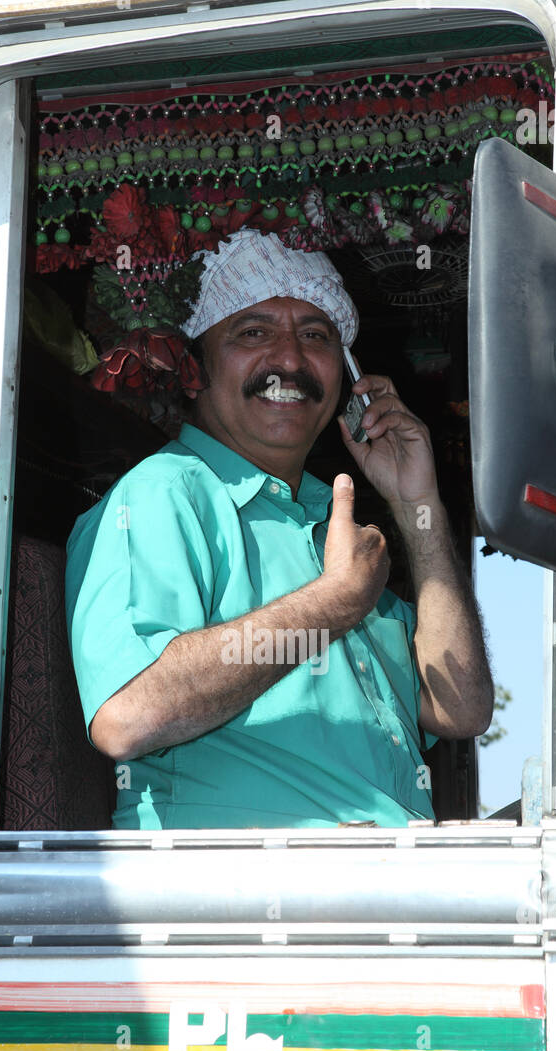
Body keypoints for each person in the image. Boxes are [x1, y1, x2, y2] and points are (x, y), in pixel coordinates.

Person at [65, 228, 493, 829]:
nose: (290, 360)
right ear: (196, 365)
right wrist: (333, 603)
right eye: (253, 331)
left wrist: (418, 503)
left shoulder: (330, 523)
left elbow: (461, 707)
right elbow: (127, 713)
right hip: (246, 904)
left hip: (385, 892)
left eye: (315, 336)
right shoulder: (163, 493)